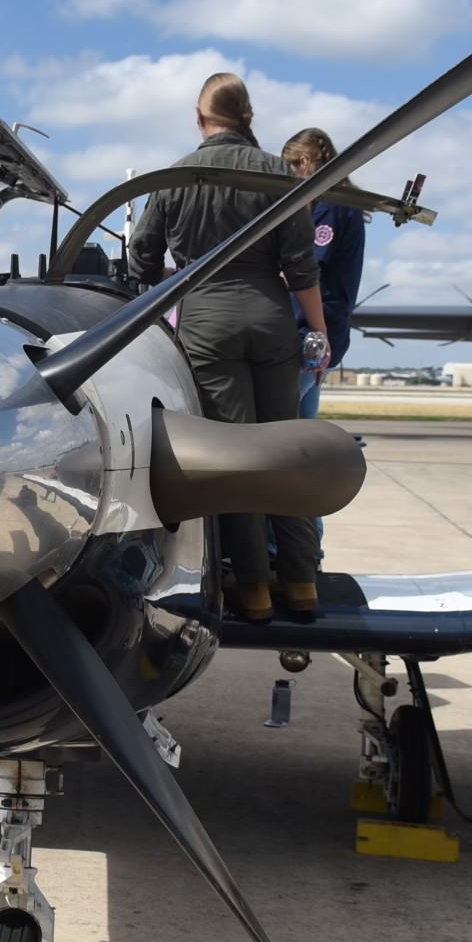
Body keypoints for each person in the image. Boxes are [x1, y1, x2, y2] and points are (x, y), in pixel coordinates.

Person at [127, 72, 326, 622]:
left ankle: (255, 591)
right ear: (248, 117)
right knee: (284, 449)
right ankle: (302, 582)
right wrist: (319, 329)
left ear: (200, 119)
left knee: (236, 459)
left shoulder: (178, 175)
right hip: (270, 318)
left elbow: (141, 256)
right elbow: (301, 265)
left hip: (207, 322)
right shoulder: (278, 174)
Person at [280, 128, 364, 423]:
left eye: (290, 166)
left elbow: (304, 270)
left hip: (313, 336)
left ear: (304, 161)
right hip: (321, 335)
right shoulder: (340, 205)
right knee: (304, 424)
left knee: (281, 421)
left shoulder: (330, 207)